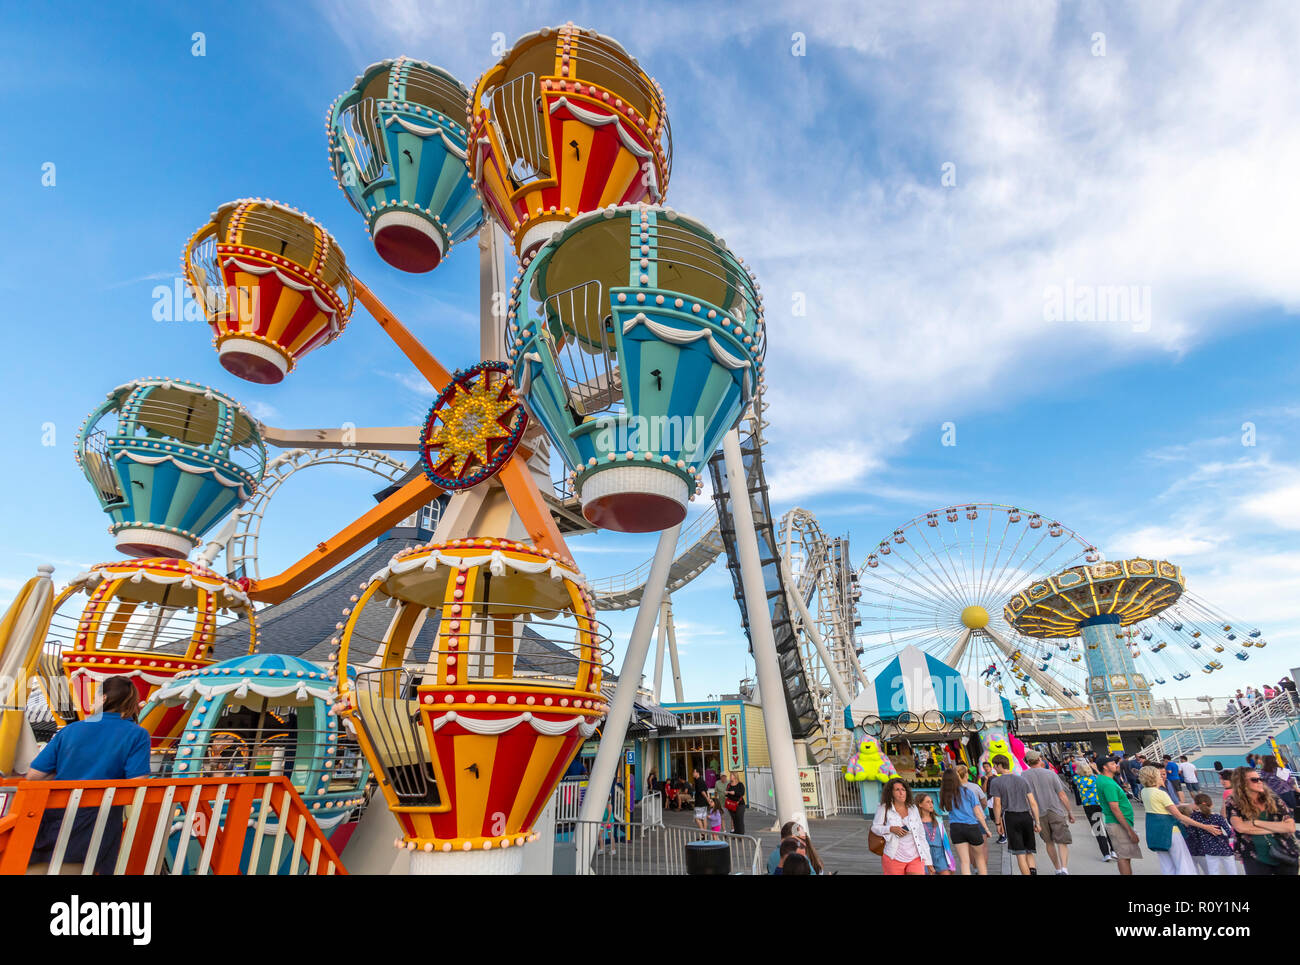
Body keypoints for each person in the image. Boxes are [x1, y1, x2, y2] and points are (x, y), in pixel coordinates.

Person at [23, 676, 151, 874]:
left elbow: (33, 776)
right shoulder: (137, 734)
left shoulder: (71, 730)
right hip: (98, 822)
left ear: (103, 698)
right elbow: (138, 782)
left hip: (55, 818)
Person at [1138, 765, 1221, 875]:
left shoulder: (1144, 791)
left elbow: (1164, 808)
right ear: (1154, 777)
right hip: (1170, 831)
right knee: (1183, 863)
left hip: (1156, 832)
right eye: (1159, 775)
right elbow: (1179, 815)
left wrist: (1187, 805)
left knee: (1167, 865)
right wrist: (1206, 827)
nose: (1162, 777)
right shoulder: (1160, 794)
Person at [1226, 766, 1299, 875]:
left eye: (1260, 779)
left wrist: (1256, 823)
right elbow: (1241, 828)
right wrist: (1277, 828)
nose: (1259, 782)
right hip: (1254, 856)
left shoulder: (1274, 799)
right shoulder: (1233, 802)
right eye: (1254, 780)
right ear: (1241, 783)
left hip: (1284, 852)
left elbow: (1290, 827)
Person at [1023, 749, 1075, 874]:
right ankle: (1064, 868)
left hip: (1038, 814)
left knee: (1048, 842)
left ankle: (1057, 868)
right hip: (1055, 810)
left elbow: (1025, 798)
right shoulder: (1050, 774)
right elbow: (1062, 795)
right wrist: (1070, 812)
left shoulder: (1024, 776)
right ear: (1040, 759)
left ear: (1028, 762)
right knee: (1062, 840)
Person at [988, 755, 1040, 875]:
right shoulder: (1022, 779)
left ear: (1000, 765)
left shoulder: (996, 781)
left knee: (1019, 853)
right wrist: (1037, 822)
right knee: (1029, 851)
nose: (994, 768)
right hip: (1026, 816)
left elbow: (997, 804)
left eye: (995, 766)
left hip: (1011, 817)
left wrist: (997, 822)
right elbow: (1033, 802)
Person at [872, 778, 932, 875]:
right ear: (890, 793)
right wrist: (891, 829)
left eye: (903, 790)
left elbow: (921, 835)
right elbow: (875, 828)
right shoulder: (884, 807)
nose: (901, 793)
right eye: (897, 790)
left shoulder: (913, 808)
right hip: (894, 857)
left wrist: (928, 861)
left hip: (916, 857)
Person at [940, 766, 991, 874]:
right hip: (971, 826)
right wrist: (986, 829)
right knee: (980, 859)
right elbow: (978, 813)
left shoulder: (945, 794)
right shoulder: (967, 791)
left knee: (964, 861)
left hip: (955, 828)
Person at [1096, 754, 1142, 874]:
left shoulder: (1104, 779)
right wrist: (1129, 830)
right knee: (1124, 857)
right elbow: (1114, 808)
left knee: (1124, 856)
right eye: (1112, 764)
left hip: (1117, 823)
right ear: (1105, 768)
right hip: (1118, 824)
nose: (1116, 765)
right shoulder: (1108, 784)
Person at [1184, 793, 1239, 876]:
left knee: (1213, 872)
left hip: (1209, 849)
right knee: (1232, 871)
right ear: (1211, 804)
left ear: (1196, 805)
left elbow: (1192, 833)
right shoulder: (1218, 817)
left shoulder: (1194, 817)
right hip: (1224, 848)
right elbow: (1229, 832)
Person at [1073, 760, 1117, 861]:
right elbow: (1105, 778)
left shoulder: (1077, 779)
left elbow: (1075, 776)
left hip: (1089, 806)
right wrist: (1095, 769)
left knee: (1098, 829)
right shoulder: (1096, 778)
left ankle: (1106, 854)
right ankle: (1114, 850)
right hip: (1100, 803)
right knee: (1108, 827)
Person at [916, 793, 954, 874]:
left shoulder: (938, 819)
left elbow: (945, 840)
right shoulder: (916, 821)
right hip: (924, 855)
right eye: (928, 802)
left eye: (932, 802)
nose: (931, 804)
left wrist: (951, 860)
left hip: (940, 854)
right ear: (920, 804)